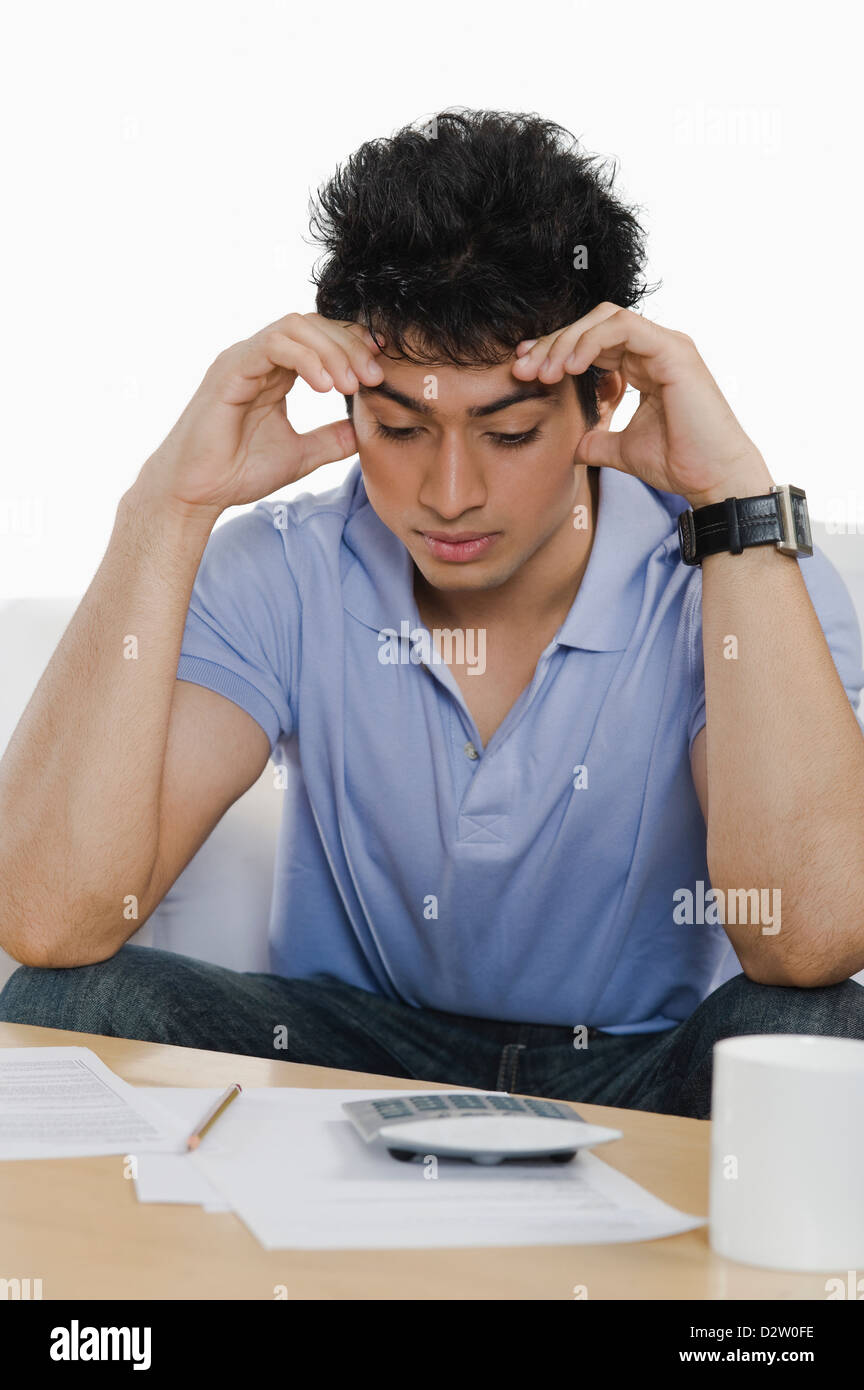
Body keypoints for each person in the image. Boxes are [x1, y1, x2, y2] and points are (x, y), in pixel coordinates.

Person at [2, 110, 863, 1120]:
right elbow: (51, 922)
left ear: (605, 395)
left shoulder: (743, 570)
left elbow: (810, 937)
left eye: (508, 432)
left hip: (639, 1071)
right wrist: (166, 508)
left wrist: (733, 503)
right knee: (71, 1002)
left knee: (820, 1030)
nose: (448, 494)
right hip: (347, 1055)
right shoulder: (284, 568)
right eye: (402, 427)